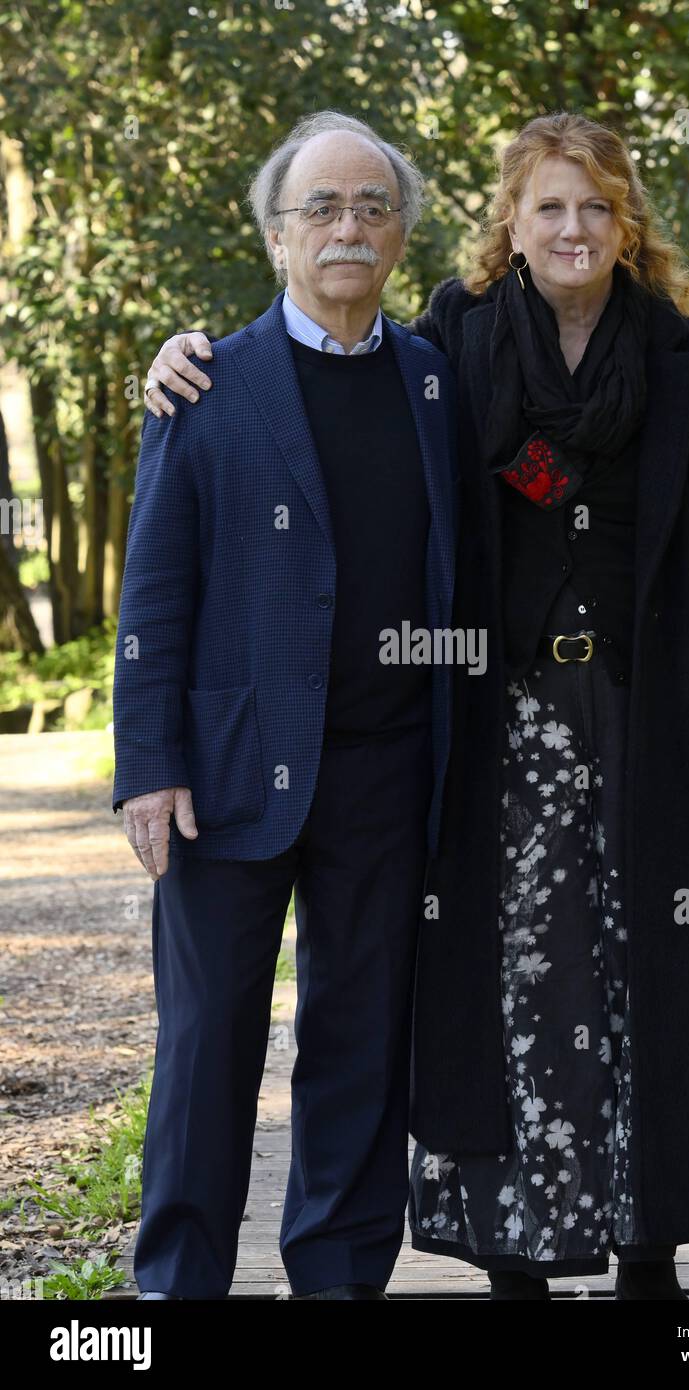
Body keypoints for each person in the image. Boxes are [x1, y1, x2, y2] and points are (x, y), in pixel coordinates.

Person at [144, 111, 689, 1300]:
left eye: (595, 205)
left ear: (625, 223)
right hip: (426, 742)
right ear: (510, 222)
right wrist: (178, 360)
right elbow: (204, 529)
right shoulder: (421, 352)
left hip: (579, 736)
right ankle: (470, 1262)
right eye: (547, 204)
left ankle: (606, 1249)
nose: (571, 225)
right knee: (463, 1005)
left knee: (613, 994)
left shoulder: (666, 374)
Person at [114, 111, 460, 1300]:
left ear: (401, 232)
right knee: (207, 1051)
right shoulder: (206, 379)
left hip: (383, 772)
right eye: (322, 207)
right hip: (222, 774)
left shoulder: (431, 379)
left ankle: (338, 1281)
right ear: (276, 236)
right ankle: (175, 1290)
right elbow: (152, 584)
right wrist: (145, 764)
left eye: (371, 206)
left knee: (360, 1048)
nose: (348, 227)